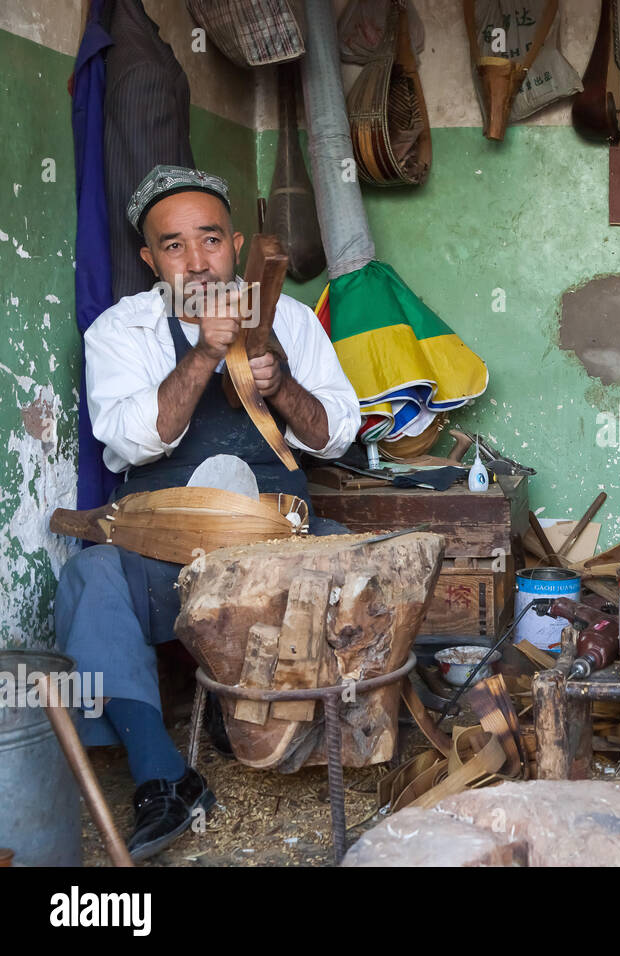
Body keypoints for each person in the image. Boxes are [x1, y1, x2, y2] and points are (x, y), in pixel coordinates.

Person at [54, 165, 361, 860]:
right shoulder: (119, 330)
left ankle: (265, 723)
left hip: (275, 542)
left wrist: (278, 383)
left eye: (211, 241)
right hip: (166, 553)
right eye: (173, 247)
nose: (197, 263)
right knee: (91, 580)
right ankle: (163, 776)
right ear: (148, 259)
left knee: (362, 563)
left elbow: (336, 433)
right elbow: (132, 438)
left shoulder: (287, 318)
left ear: (237, 243)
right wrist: (205, 353)